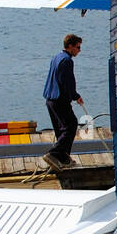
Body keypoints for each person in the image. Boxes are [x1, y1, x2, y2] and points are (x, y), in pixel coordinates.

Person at [42, 34, 83, 170]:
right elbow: (67, 82)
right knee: (71, 125)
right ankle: (53, 153)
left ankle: (63, 157)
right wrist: (75, 96)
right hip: (59, 99)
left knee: (62, 129)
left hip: (50, 99)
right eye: (77, 47)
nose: (79, 50)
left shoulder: (56, 57)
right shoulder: (67, 61)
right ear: (70, 46)